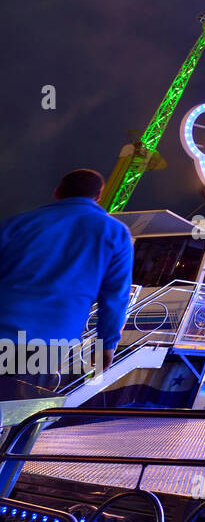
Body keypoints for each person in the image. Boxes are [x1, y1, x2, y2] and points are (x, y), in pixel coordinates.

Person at [0, 170, 133, 398]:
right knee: (15, 413)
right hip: (49, 341)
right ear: (99, 195)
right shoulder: (115, 233)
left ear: (57, 192)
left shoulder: (17, 223)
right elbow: (115, 297)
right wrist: (107, 344)